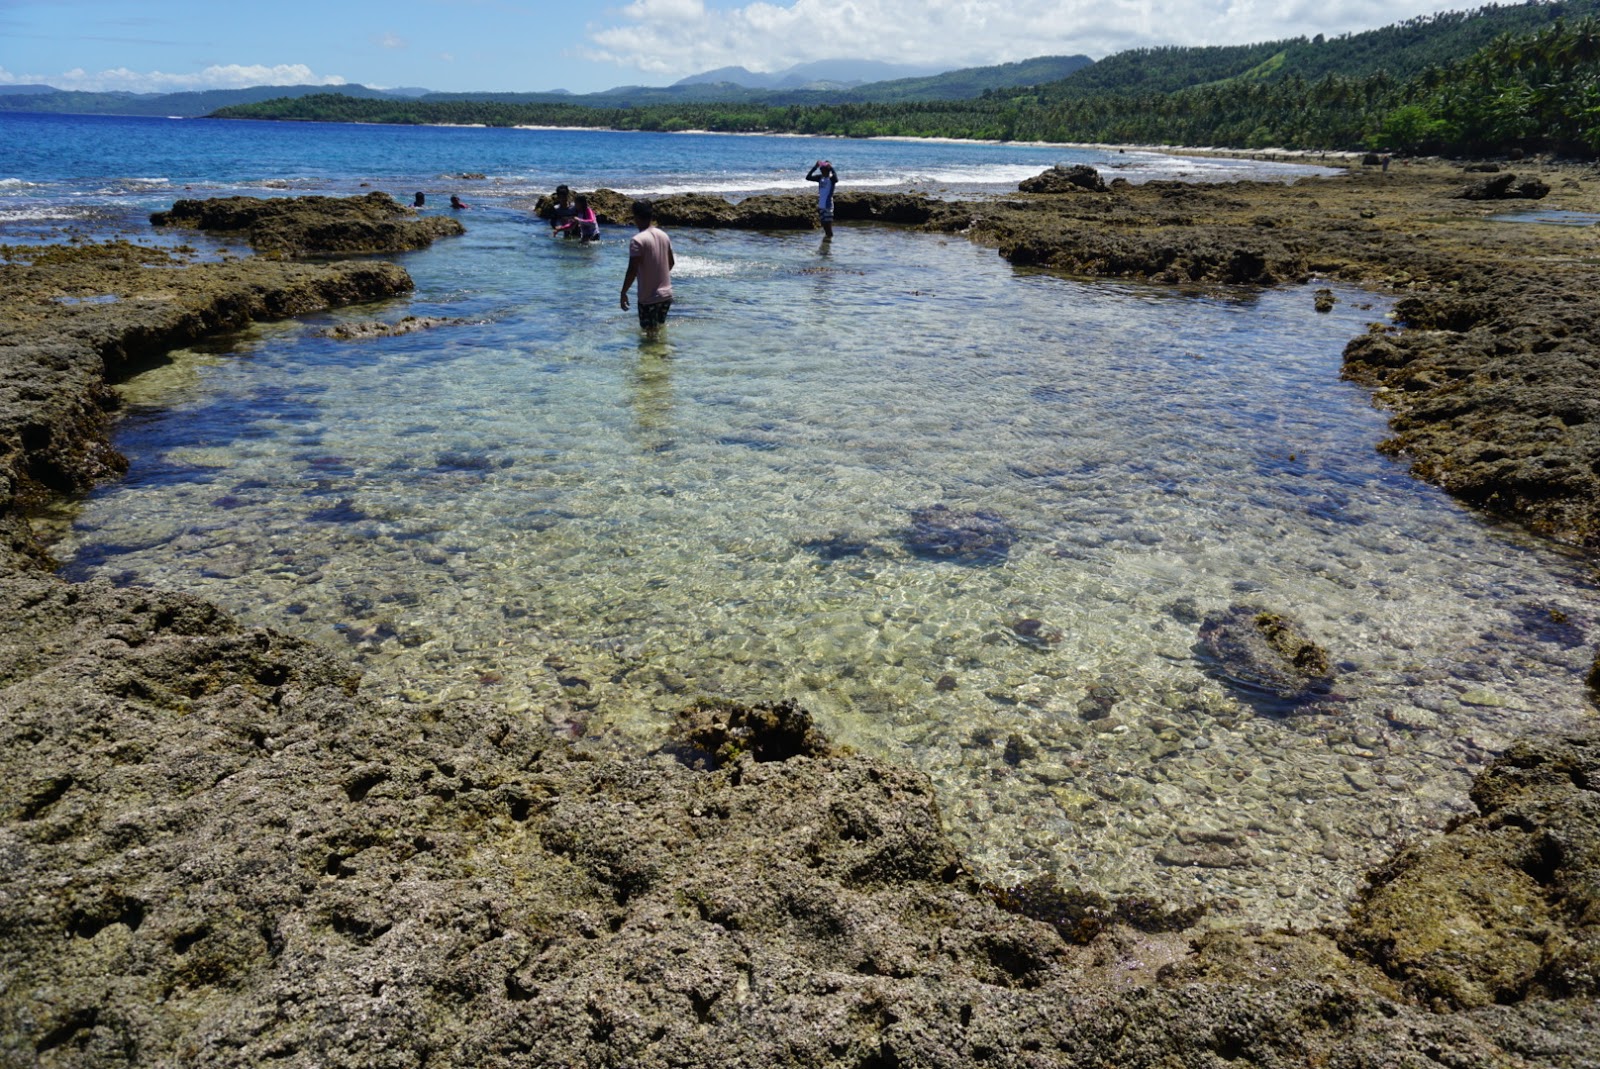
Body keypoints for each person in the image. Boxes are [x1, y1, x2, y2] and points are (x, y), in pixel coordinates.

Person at [620, 199, 674, 335]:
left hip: (649, 298)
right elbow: (671, 263)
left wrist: (623, 292)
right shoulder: (664, 235)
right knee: (658, 332)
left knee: (649, 337)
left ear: (636, 217)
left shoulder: (637, 240)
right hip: (666, 296)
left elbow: (632, 270)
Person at [805, 159, 838, 238]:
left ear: (828, 170)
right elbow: (808, 177)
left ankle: (829, 243)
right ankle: (826, 243)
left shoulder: (831, 179)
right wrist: (815, 167)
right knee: (824, 225)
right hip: (821, 205)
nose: (822, 171)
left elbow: (836, 179)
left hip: (828, 206)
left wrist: (831, 168)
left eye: (824, 169)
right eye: (821, 169)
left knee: (828, 227)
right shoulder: (820, 178)